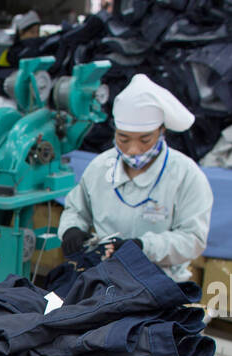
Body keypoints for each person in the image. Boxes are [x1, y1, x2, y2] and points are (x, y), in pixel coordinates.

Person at [56, 73, 212, 283]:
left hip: (160, 282)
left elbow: (192, 239)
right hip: (103, 278)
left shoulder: (186, 175)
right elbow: (76, 209)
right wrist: (71, 229)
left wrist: (142, 247)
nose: (133, 150)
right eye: (124, 138)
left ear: (161, 131)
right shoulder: (100, 167)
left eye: (145, 140)